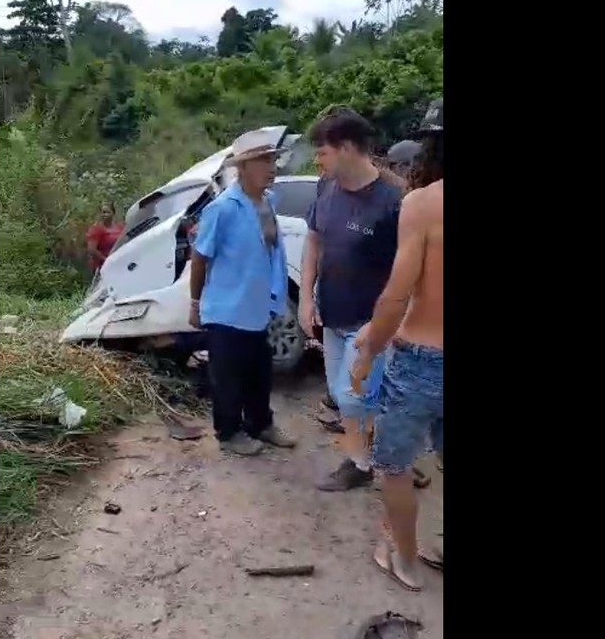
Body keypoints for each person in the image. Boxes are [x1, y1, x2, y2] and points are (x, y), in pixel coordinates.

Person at [351, 101, 443, 591]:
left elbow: (397, 293)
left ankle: (405, 561)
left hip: (424, 361)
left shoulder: (424, 204)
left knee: (393, 466)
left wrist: (368, 350)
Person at [299, 106, 404, 491]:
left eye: (322, 151)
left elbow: (408, 272)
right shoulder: (326, 188)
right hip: (332, 314)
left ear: (345, 148)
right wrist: (306, 300)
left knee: (353, 397)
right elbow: (313, 240)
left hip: (372, 322)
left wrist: (384, 325)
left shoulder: (393, 201)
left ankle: (376, 461)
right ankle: (367, 458)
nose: (317, 158)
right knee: (347, 398)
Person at [188, 131, 297, 456]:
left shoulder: (267, 203)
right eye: (264, 161)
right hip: (227, 310)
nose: (272, 167)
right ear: (243, 168)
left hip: (259, 308)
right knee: (228, 378)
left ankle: (261, 425)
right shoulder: (222, 209)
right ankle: (229, 433)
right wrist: (195, 303)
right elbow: (199, 258)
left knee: (259, 374)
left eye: (273, 159)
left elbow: (271, 255)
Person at [85, 202, 123, 274]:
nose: (104, 215)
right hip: (102, 266)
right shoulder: (96, 229)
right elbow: (92, 250)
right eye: (103, 212)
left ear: (113, 213)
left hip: (118, 263)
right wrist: (107, 260)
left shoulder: (120, 227)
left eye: (107, 212)